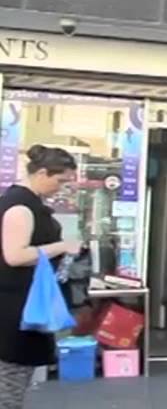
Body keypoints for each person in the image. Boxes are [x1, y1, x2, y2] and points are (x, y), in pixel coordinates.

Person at [0, 146, 81, 409]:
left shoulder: (29, 204)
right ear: (42, 173)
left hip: (24, 305)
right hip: (14, 311)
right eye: (60, 181)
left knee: (14, 382)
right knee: (9, 385)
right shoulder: (20, 208)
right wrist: (62, 246)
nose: (62, 188)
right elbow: (15, 255)